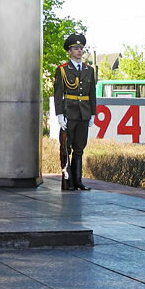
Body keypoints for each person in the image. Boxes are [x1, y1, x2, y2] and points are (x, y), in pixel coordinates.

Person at [54, 32, 97, 191]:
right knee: (66, 147)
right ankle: (68, 181)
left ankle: (78, 180)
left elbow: (92, 93)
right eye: (76, 48)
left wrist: (93, 113)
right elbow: (58, 94)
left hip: (84, 113)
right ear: (69, 51)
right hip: (69, 112)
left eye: (81, 48)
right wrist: (59, 114)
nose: (79, 51)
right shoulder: (63, 70)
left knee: (80, 147)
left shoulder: (89, 70)